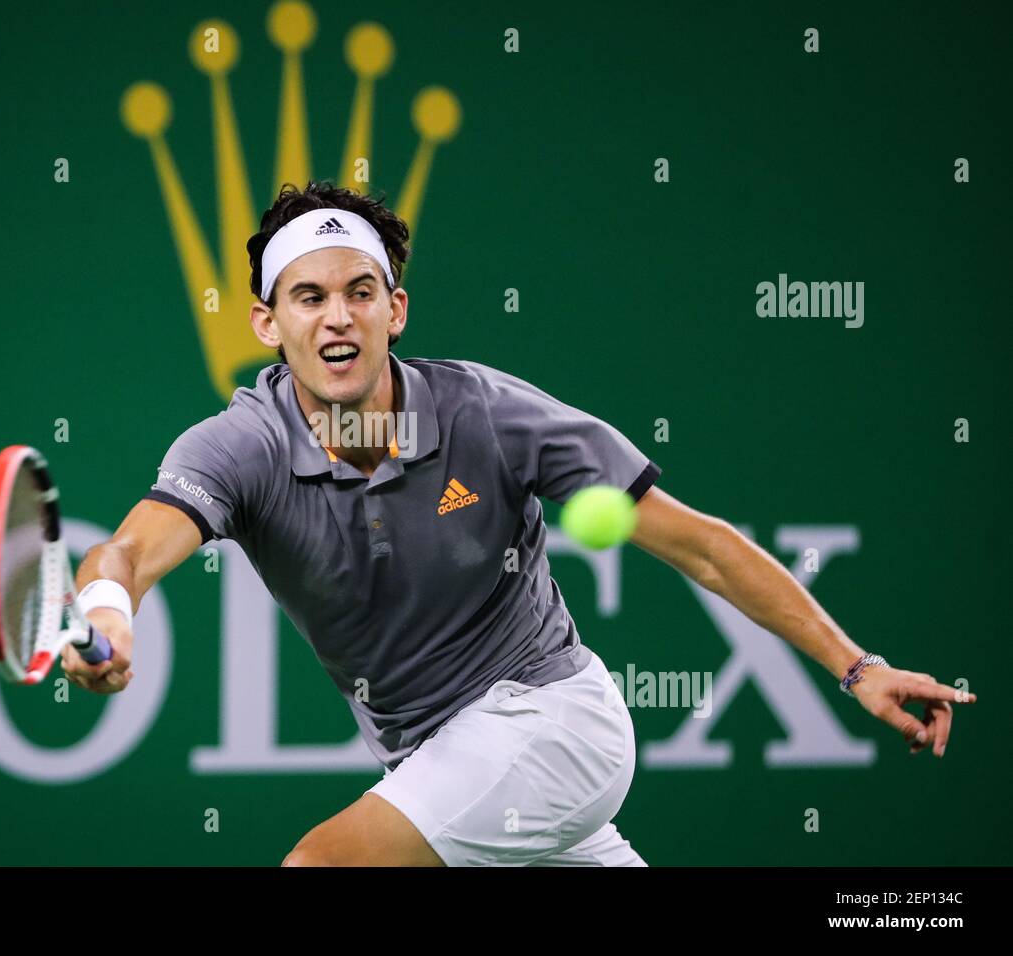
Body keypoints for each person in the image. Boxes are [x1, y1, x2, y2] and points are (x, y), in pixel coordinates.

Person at [61, 181, 976, 866]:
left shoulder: (490, 416)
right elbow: (133, 548)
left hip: (552, 721)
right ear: (268, 322)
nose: (337, 317)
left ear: (395, 309)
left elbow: (702, 545)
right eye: (308, 296)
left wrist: (857, 669)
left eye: (359, 291)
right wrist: (108, 608)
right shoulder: (243, 444)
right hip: (445, 759)